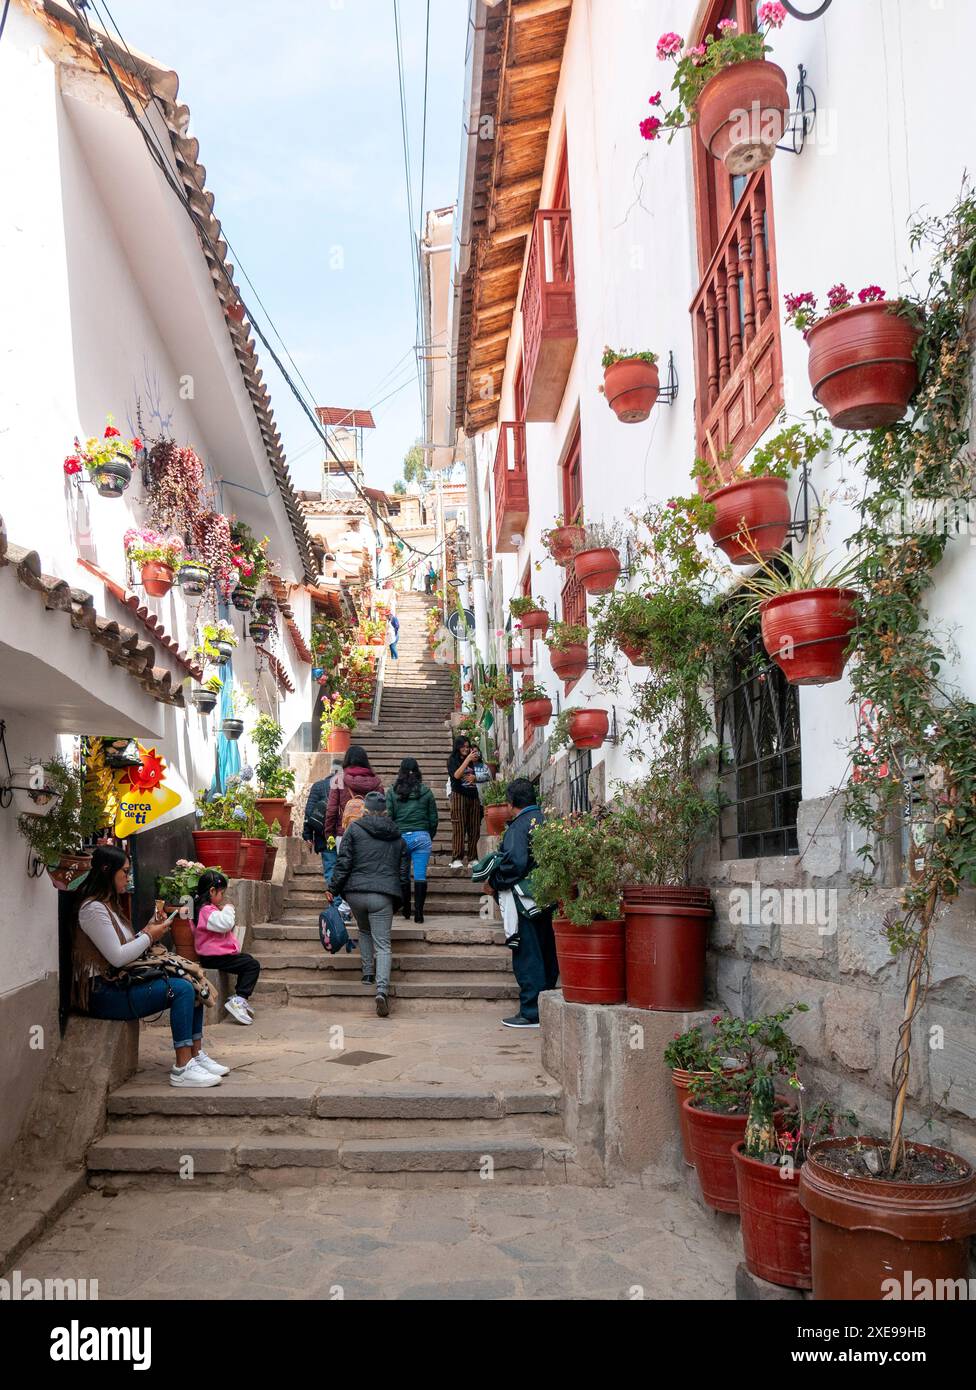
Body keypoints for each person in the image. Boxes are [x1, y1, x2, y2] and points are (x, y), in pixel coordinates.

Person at [72, 845, 229, 1087]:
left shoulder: (108, 907)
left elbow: (125, 947)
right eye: (124, 871)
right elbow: (117, 957)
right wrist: (149, 936)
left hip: (119, 982)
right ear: (107, 871)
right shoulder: (93, 910)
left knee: (191, 982)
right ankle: (182, 1067)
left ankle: (195, 1055)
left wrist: (147, 930)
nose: (128, 877)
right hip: (103, 992)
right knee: (182, 989)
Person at [329, 790, 410, 1017]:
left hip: (355, 893)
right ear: (386, 812)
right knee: (383, 944)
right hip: (384, 894)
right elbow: (404, 874)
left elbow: (343, 863)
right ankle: (382, 990)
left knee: (363, 930)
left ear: (364, 811)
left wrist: (332, 889)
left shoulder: (353, 830)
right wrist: (403, 902)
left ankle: (367, 974)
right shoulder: (398, 836)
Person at [490, 778, 558, 1029]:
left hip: (524, 902)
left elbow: (515, 863)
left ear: (510, 804)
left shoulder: (518, 827)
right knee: (546, 951)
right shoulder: (546, 821)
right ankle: (546, 1002)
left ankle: (531, 1011)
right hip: (547, 898)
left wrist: (495, 879)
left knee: (527, 954)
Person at [192, 870, 261, 1026]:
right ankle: (239, 999)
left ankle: (238, 997)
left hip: (215, 955)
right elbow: (226, 923)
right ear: (212, 891)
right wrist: (229, 908)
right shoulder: (206, 911)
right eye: (221, 893)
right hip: (215, 956)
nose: (222, 897)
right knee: (252, 965)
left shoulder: (204, 909)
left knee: (247, 961)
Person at [385, 757, 438, 922]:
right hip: (422, 836)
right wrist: (428, 834)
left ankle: (406, 909)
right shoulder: (426, 792)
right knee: (420, 875)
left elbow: (389, 818)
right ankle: (419, 914)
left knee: (403, 875)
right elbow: (433, 819)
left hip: (400, 838)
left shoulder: (392, 792)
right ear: (418, 771)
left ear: (400, 772)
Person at [324, 746, 384, 843]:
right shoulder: (376, 782)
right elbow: (381, 811)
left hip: (345, 833)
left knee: (344, 858)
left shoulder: (338, 779)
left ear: (347, 759)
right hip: (370, 834)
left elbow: (331, 810)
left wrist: (329, 834)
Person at [447, 734, 483, 870]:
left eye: (468, 747)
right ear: (458, 747)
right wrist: (467, 759)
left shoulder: (474, 761)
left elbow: (483, 774)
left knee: (474, 828)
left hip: (473, 796)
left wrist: (475, 777)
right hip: (458, 795)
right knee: (459, 827)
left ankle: (473, 858)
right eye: (463, 746)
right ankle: (457, 858)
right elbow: (456, 775)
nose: (466, 749)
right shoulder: (452, 760)